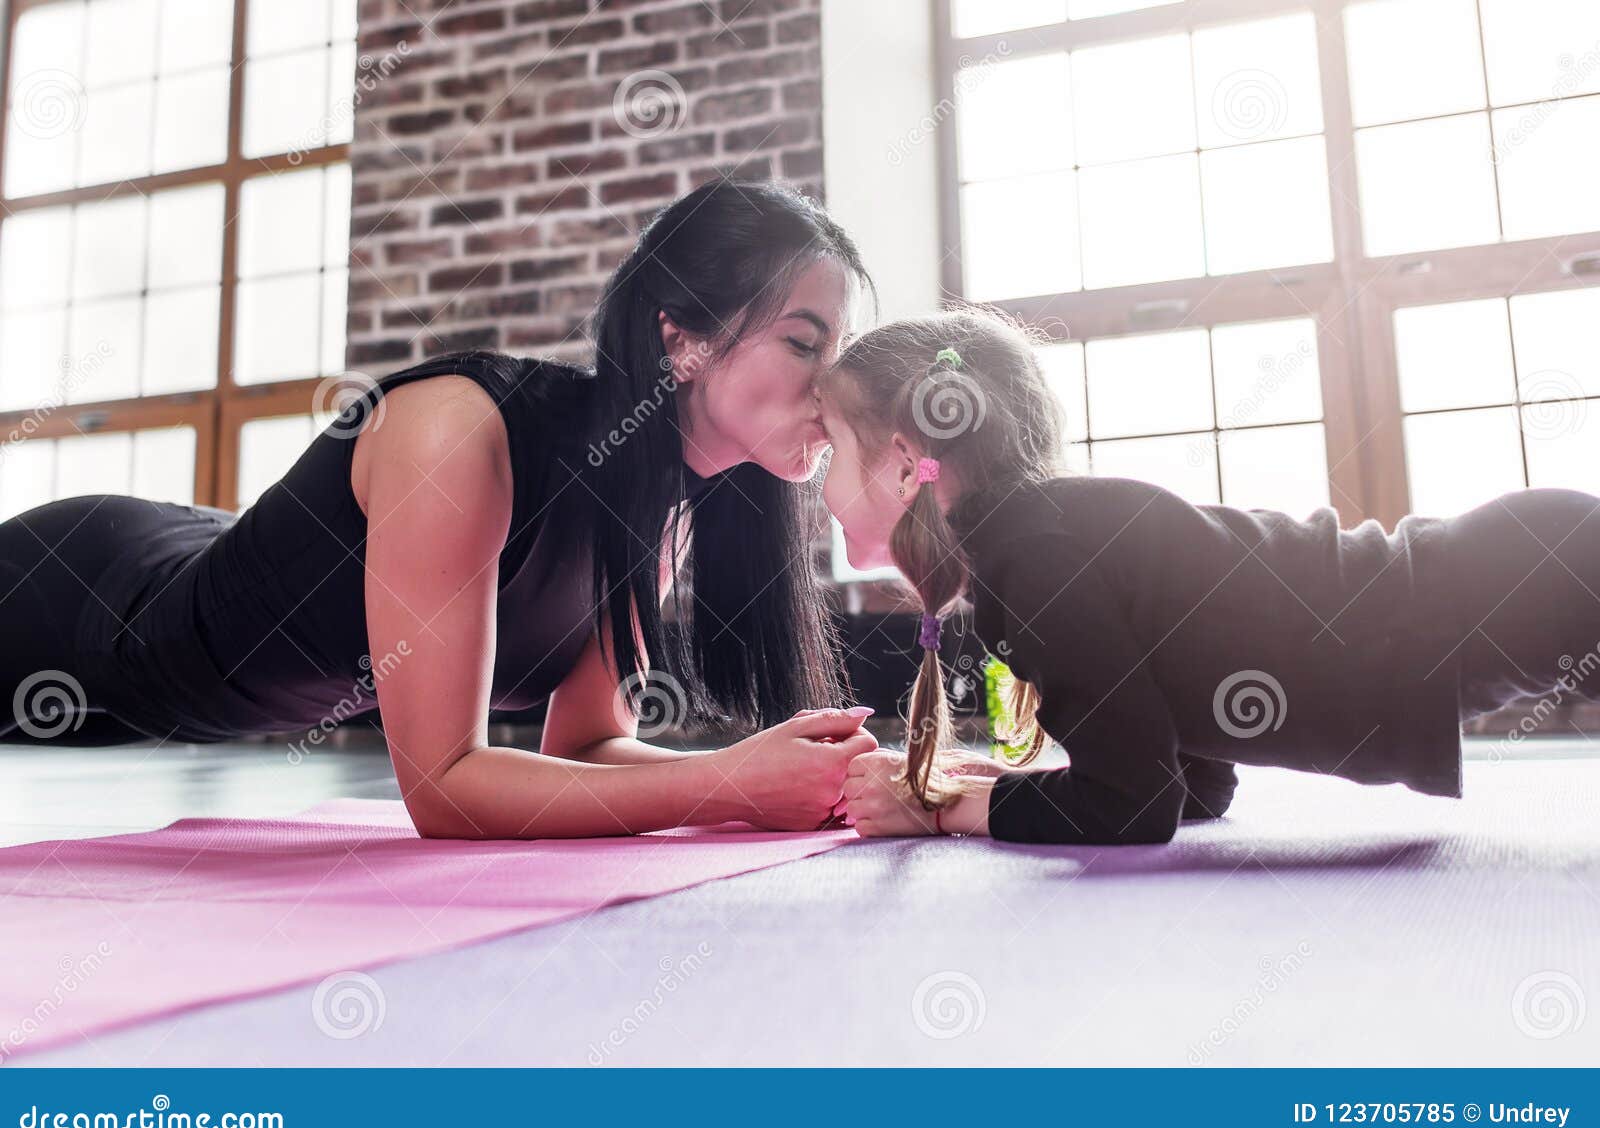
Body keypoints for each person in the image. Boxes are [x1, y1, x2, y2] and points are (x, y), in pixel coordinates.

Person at [0, 180, 880, 839]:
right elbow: (445, 788)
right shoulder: (461, 431)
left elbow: (584, 750)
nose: (833, 387)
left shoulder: (655, 503)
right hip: (79, 603)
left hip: (181, 626)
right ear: (679, 338)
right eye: (804, 343)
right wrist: (727, 786)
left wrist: (768, 773)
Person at [821, 309, 1600, 844]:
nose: (815, 484)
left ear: (900, 462)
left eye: (829, 451)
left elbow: (1131, 804)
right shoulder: (1037, 539)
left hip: (1528, 579)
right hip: (1521, 572)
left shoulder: (1031, 561)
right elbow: (1193, 788)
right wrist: (984, 788)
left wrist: (941, 805)